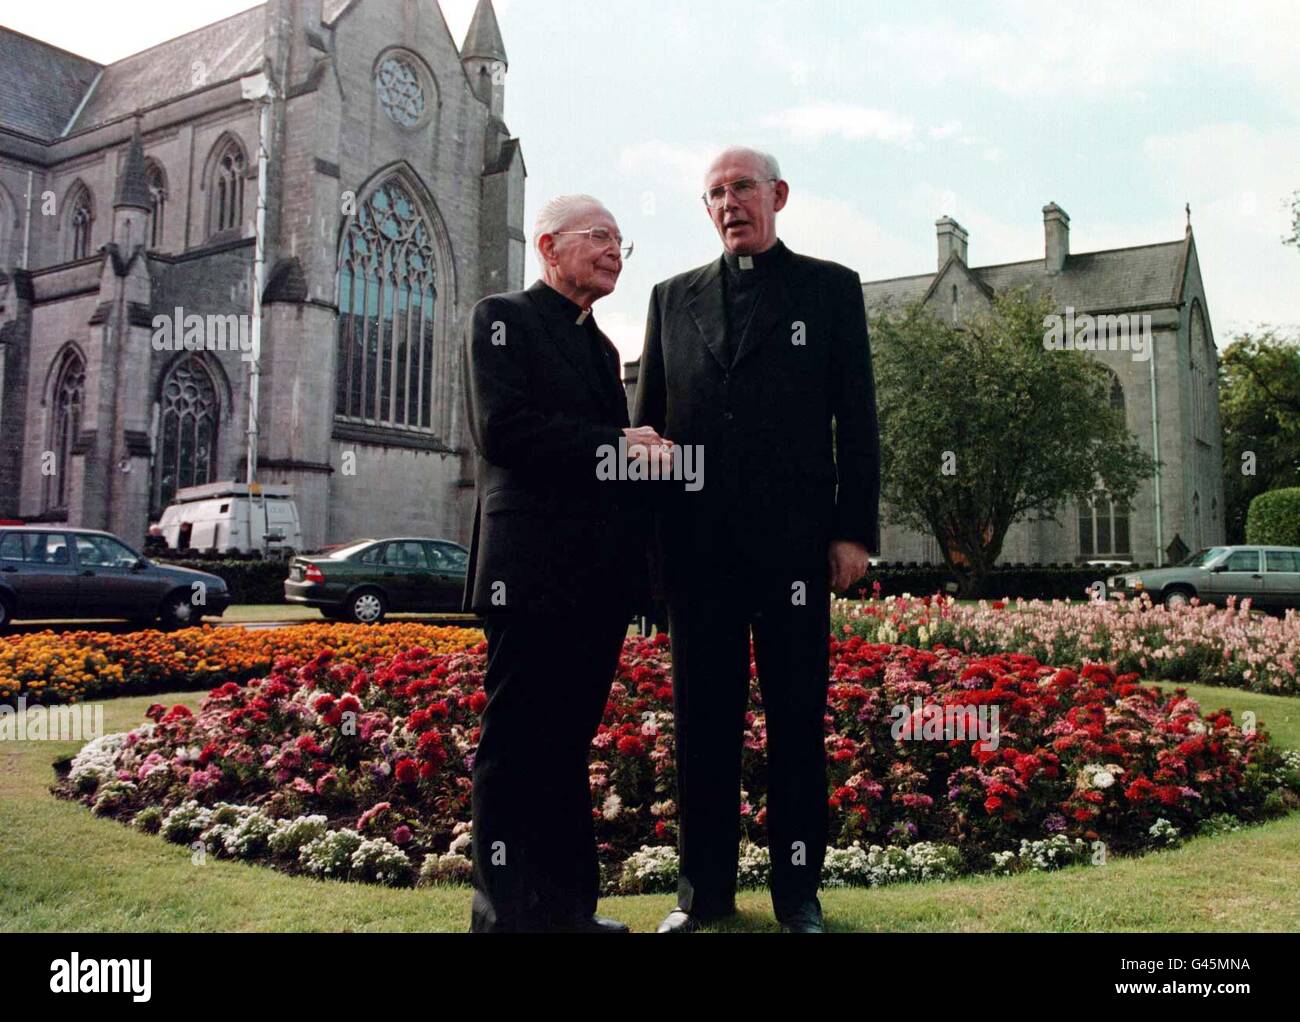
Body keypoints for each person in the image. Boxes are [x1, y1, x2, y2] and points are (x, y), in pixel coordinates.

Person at [633, 147, 881, 933]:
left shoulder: (831, 290)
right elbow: (648, 435)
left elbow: (859, 422)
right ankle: (701, 897)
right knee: (702, 726)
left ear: (778, 195)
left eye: (742, 188)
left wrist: (852, 532)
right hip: (698, 551)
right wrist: (651, 560)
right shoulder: (670, 298)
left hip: (795, 553)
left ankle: (797, 895)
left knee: (797, 723)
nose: (729, 203)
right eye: (715, 193)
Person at [462, 194, 671, 932]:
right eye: (600, 237)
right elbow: (504, 431)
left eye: (622, 240)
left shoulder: (601, 349)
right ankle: (506, 918)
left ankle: (568, 915)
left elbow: (599, 467)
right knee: (514, 746)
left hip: (596, 582)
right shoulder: (501, 317)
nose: (615, 250)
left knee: (564, 747)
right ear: (549, 245)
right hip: (527, 570)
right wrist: (619, 444)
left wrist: (641, 455)